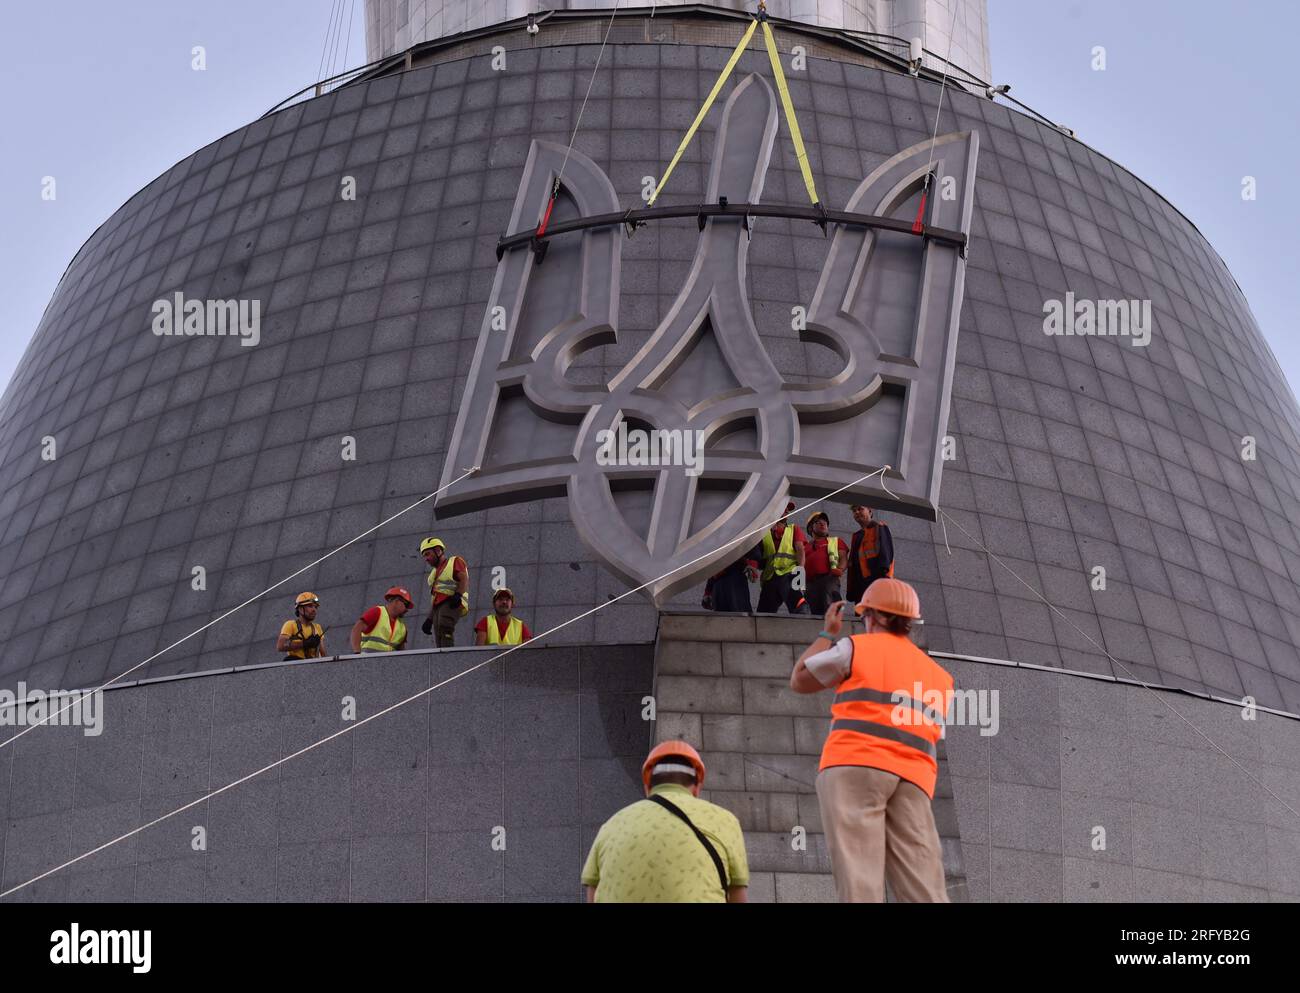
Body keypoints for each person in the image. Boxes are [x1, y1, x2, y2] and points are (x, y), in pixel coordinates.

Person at [789, 578, 952, 903]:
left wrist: (827, 633)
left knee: (860, 879)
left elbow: (800, 680)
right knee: (924, 886)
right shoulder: (940, 677)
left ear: (873, 617)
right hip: (915, 780)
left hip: (855, 766)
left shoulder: (857, 646)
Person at [581, 740, 749, 903]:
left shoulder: (612, 825)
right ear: (697, 786)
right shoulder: (724, 821)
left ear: (648, 786)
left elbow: (593, 890)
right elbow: (737, 895)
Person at [756, 501, 806, 614]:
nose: (787, 511)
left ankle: (802, 614)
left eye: (788, 509)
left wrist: (800, 571)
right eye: (784, 507)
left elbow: (800, 550)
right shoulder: (764, 532)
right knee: (763, 614)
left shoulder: (793, 529)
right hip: (770, 577)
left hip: (788, 573)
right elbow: (756, 554)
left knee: (799, 606)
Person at [419, 537, 469, 647]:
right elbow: (435, 598)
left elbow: (464, 579)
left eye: (427, 554)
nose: (426, 559)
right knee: (438, 633)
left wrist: (458, 595)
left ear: (438, 551)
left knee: (445, 625)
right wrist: (429, 619)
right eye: (424, 556)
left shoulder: (454, 561)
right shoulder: (432, 575)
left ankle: (448, 655)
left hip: (452, 601)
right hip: (438, 606)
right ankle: (440, 658)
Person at [845, 504, 894, 604]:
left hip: (876, 580)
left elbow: (886, 554)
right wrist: (851, 589)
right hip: (860, 584)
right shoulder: (857, 536)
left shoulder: (879, 528)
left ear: (870, 511)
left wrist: (882, 580)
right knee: (861, 616)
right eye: (854, 511)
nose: (857, 512)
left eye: (860, 509)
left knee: (874, 615)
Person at [803, 511, 848, 615]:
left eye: (825, 522)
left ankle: (833, 629)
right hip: (810, 584)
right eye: (818, 522)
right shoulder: (805, 547)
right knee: (813, 613)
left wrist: (840, 569)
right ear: (810, 528)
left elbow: (843, 558)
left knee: (830, 610)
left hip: (829, 579)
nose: (823, 524)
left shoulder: (836, 541)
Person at [350, 587, 413, 653]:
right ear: (396, 601)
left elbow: (401, 651)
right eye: (406, 605)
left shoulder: (402, 627)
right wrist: (357, 653)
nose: (407, 610)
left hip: (387, 662)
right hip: (367, 661)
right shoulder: (377, 612)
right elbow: (357, 628)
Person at [701, 544, 760, 613]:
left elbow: (752, 545)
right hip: (721, 582)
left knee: (738, 616)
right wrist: (708, 591)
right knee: (724, 617)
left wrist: (752, 564)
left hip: (734, 579)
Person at [277, 591, 327, 661]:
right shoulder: (290, 625)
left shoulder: (317, 627)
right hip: (295, 665)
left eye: (315, 607)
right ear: (300, 609)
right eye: (310, 606)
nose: (314, 610)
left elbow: (323, 653)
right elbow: (281, 646)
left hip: (312, 666)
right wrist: (305, 643)